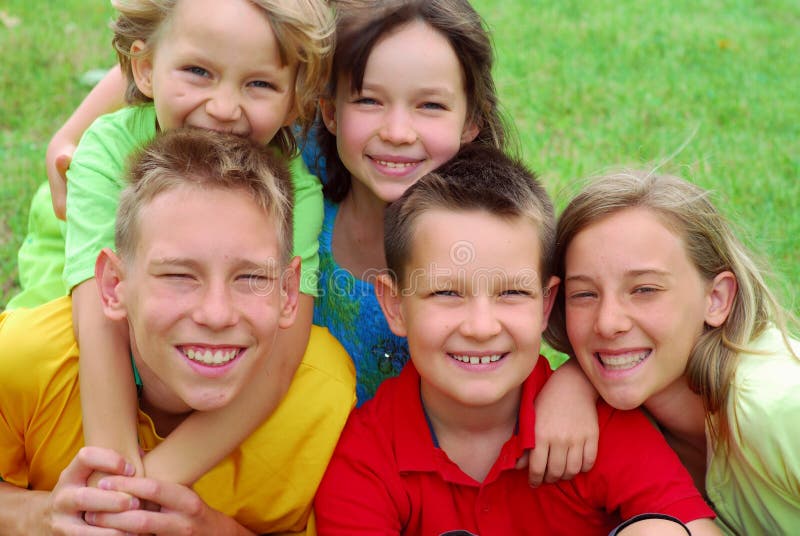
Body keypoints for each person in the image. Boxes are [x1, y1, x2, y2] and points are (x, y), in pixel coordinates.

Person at [314, 144, 720, 535]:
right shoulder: (365, 455)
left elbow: (695, 528)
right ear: (395, 305)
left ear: (546, 305)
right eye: (447, 293)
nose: (481, 327)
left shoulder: (596, 424)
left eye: (511, 293)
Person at [7, 0, 334, 485]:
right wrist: (113, 478)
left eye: (260, 83)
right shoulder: (106, 150)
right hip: (79, 317)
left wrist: (153, 482)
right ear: (144, 70)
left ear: (294, 100)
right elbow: (99, 324)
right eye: (198, 72)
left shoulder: (297, 191)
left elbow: (283, 357)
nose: (224, 109)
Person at [0, 128, 356, 535]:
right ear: (114, 285)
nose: (217, 314)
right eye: (179, 275)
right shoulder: (23, 358)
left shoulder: (325, 398)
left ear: (289, 292)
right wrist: (39, 518)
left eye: (250, 277)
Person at [311, 0, 599, 485]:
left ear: (471, 121)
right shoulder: (297, 205)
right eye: (368, 100)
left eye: (430, 105)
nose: (397, 132)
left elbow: (606, 326)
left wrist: (576, 383)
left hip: (448, 484)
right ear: (329, 112)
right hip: (313, 479)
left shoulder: (506, 228)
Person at [544, 170, 800, 534]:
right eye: (584, 294)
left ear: (716, 299)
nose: (607, 323)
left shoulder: (776, 406)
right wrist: (572, 380)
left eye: (645, 289)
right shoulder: (630, 413)